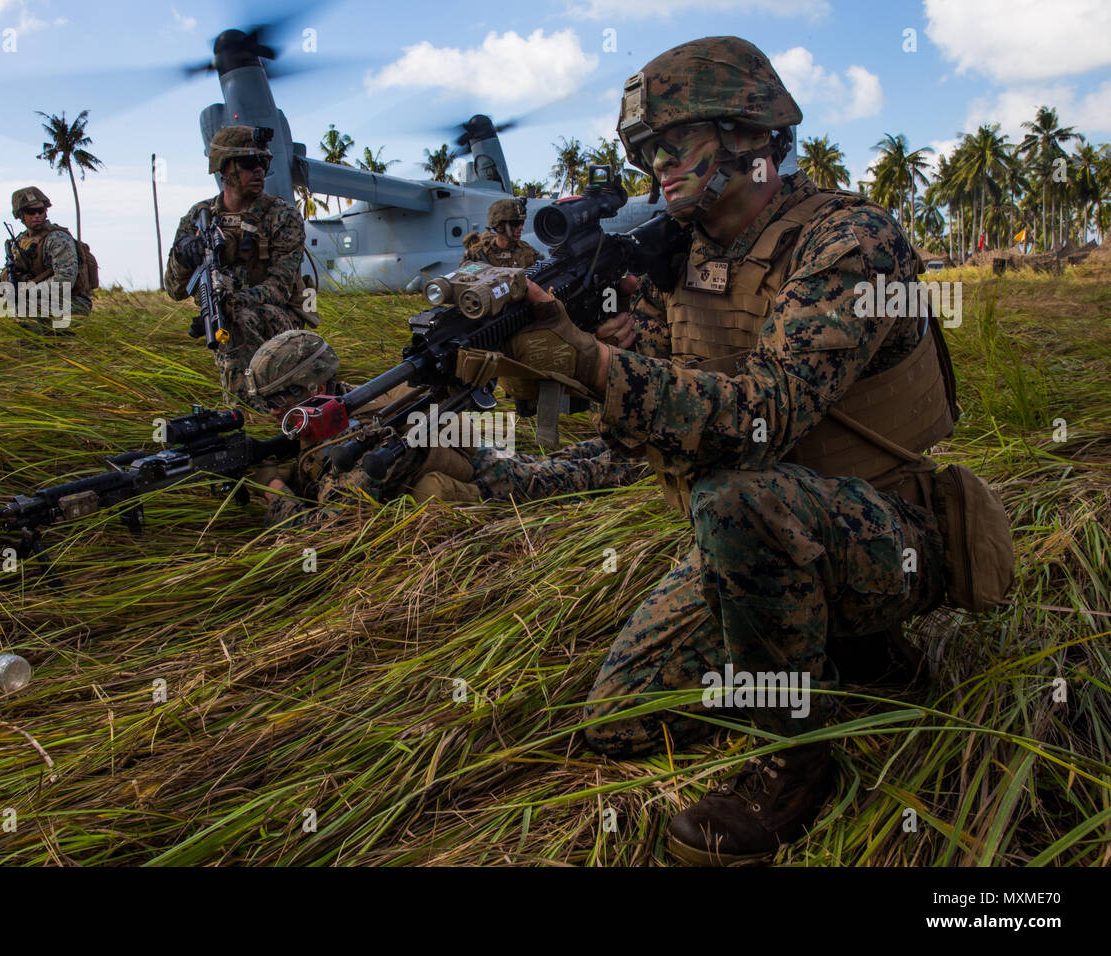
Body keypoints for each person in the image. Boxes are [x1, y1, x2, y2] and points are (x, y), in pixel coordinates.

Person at [504, 36, 960, 865]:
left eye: (674, 142)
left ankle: (791, 761)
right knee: (618, 720)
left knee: (736, 498)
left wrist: (596, 362)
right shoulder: (683, 254)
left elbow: (766, 416)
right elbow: (648, 416)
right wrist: (551, 367)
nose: (658, 167)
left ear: (750, 134)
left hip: (889, 531)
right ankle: (848, 651)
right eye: (644, 151)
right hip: (760, 534)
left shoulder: (850, 242)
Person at [244, 330, 644, 528]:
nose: (270, 413)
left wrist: (274, 490)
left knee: (583, 476)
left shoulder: (358, 445)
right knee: (558, 464)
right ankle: (625, 442)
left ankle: (651, 454)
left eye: (275, 402)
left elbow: (325, 532)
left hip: (492, 481)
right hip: (481, 460)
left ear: (313, 389)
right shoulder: (349, 403)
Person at [165, 126, 317, 406]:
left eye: (263, 163)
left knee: (236, 320)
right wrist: (182, 256)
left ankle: (245, 411)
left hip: (279, 318)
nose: (258, 171)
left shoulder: (282, 216)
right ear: (224, 170)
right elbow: (174, 290)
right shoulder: (199, 218)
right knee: (231, 322)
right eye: (248, 164)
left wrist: (233, 301)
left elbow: (279, 288)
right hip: (227, 313)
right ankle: (251, 407)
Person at [3, 186, 92, 328]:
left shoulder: (57, 239)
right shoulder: (19, 243)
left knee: (26, 311)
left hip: (72, 301)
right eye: (31, 212)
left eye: (41, 210)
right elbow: (8, 275)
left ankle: (33, 350)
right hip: (39, 300)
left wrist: (26, 292)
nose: (37, 215)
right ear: (21, 215)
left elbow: (64, 281)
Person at [461, 198, 544, 269]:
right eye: (515, 223)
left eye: (522, 223)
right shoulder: (476, 254)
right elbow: (461, 281)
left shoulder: (529, 252)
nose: (520, 227)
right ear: (499, 227)